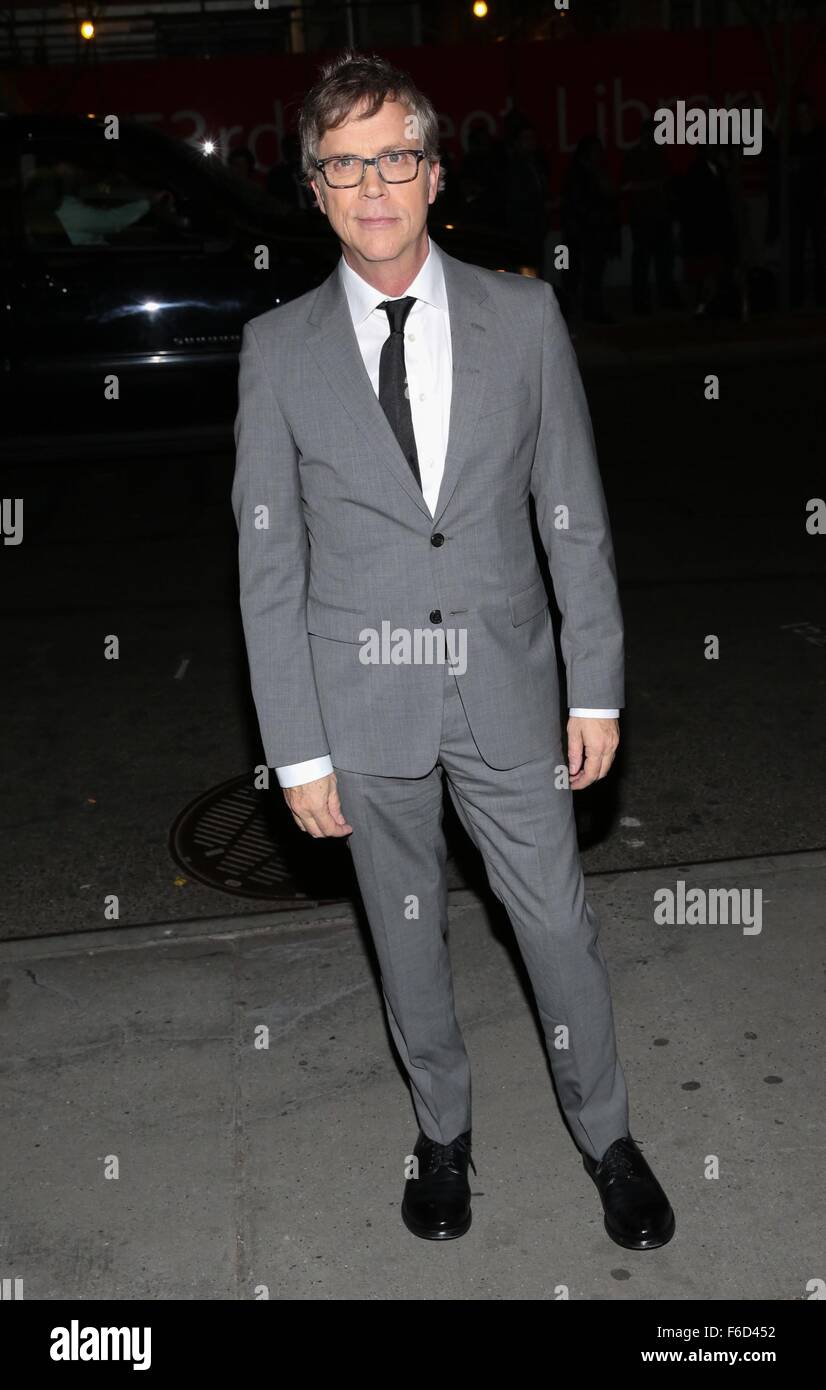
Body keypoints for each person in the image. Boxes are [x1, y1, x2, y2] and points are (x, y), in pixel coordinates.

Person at [231, 48, 675, 1250]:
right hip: (358, 705)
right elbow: (267, 570)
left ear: (433, 173)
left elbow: (570, 514)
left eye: (394, 157)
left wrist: (596, 685)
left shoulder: (521, 316)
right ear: (313, 189)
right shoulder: (275, 352)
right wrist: (298, 748)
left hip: (507, 690)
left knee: (554, 925)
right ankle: (443, 1135)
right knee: (409, 935)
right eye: (344, 165)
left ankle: (610, 1135)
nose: (372, 186)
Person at [621, 117, 681, 314]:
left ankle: (662, 296)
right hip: (644, 216)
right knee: (644, 259)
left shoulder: (659, 155)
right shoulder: (636, 157)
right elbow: (628, 186)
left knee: (662, 259)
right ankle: (642, 301)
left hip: (658, 215)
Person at [560, 133, 621, 323]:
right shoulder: (580, 174)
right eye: (595, 151)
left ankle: (589, 310)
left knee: (591, 274)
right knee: (578, 274)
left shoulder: (594, 171)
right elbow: (579, 205)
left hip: (593, 231)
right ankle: (581, 311)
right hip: (584, 232)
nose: (599, 154)